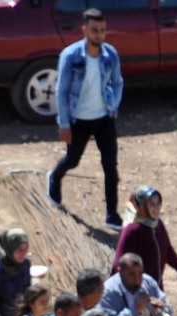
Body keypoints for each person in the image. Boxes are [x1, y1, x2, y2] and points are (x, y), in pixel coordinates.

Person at [50, 8, 125, 228]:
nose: (99, 35)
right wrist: (64, 124)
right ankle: (54, 177)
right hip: (78, 121)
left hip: (104, 118)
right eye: (95, 30)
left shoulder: (110, 54)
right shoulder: (70, 56)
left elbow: (118, 81)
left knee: (110, 167)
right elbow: (61, 91)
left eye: (102, 30)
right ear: (84, 30)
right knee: (72, 160)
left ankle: (112, 214)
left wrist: (114, 104)